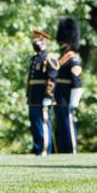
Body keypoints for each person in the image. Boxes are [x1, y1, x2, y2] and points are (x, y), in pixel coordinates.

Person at [52, 18, 83, 154]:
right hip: (58, 93)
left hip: (67, 94)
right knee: (60, 123)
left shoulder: (73, 58)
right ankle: (62, 149)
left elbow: (76, 80)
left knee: (67, 122)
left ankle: (71, 149)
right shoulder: (62, 57)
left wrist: (74, 99)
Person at [26, 28, 58, 155]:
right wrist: (28, 95)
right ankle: (37, 147)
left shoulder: (49, 58)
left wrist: (48, 95)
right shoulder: (35, 59)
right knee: (35, 122)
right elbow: (31, 79)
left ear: (43, 42)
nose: (34, 43)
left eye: (37, 40)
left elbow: (52, 78)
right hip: (34, 96)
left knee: (43, 122)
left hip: (43, 95)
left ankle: (45, 149)